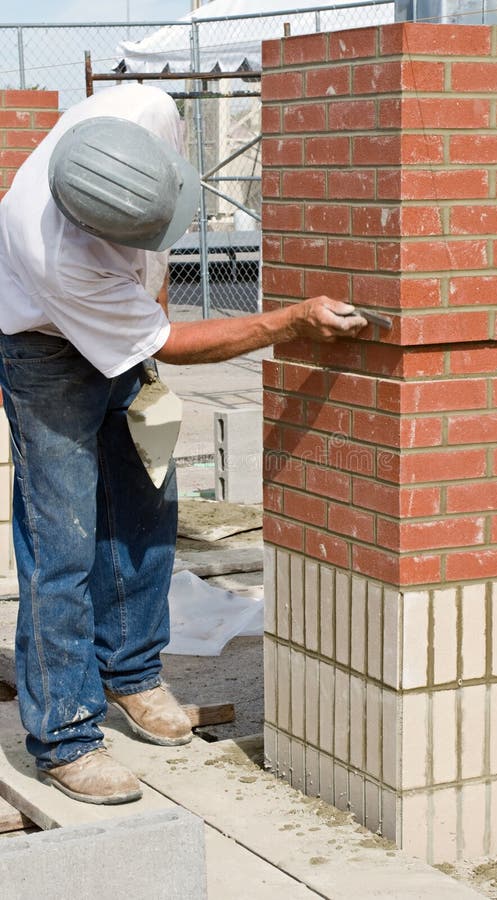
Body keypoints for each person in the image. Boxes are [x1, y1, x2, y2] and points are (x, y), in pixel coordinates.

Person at [0, 83, 366, 805]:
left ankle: (131, 673)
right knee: (63, 538)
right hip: (43, 352)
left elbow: (153, 298)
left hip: (118, 326)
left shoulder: (145, 111)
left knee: (146, 502)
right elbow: (165, 335)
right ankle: (66, 734)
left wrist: (148, 360)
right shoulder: (49, 248)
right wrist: (286, 324)